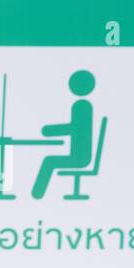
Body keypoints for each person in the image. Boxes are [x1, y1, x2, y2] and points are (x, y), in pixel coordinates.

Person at [30, 70, 96, 200]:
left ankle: (37, 194)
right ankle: (37, 194)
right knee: (49, 160)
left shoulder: (82, 106)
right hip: (78, 155)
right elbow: (74, 128)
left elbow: (75, 128)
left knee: (49, 161)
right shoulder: (82, 105)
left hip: (81, 158)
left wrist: (48, 131)